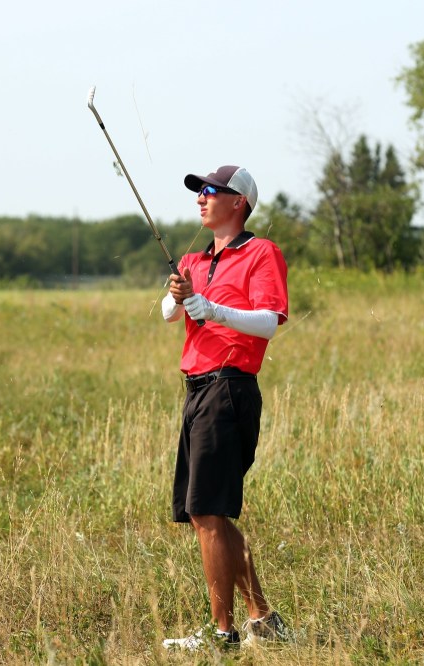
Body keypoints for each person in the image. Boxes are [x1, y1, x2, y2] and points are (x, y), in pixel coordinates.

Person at [159, 165, 291, 651]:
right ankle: (262, 617)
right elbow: (167, 312)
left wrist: (212, 309)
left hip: (230, 386)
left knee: (208, 511)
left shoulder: (261, 253)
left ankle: (222, 636)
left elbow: (269, 321)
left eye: (212, 191)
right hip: (196, 389)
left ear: (239, 202)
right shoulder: (193, 258)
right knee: (204, 514)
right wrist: (179, 297)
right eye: (200, 192)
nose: (202, 198)